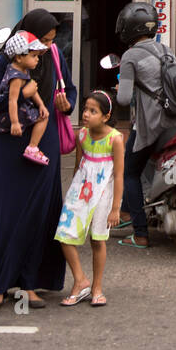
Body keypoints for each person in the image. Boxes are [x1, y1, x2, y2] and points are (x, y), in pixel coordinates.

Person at [0, 8, 77, 314]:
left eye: (51, 40)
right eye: (42, 40)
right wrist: (20, 95)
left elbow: (68, 90)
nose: (46, 46)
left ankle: (30, 283)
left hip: (44, 140)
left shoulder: (54, 54)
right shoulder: (7, 58)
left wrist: (66, 104)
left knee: (38, 214)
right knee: (5, 212)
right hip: (10, 139)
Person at [114, 1, 176, 249]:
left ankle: (140, 232)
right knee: (142, 163)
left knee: (129, 172)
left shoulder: (130, 56)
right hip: (173, 122)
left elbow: (122, 98)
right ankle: (126, 213)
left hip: (148, 125)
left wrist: (124, 89)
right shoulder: (167, 50)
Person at [56, 91, 124, 307]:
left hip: (103, 194)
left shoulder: (115, 139)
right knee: (64, 235)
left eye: (93, 111)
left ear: (105, 116)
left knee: (98, 240)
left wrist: (116, 208)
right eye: (85, 109)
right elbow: (78, 165)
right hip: (80, 191)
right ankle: (80, 280)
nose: (86, 114)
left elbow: (120, 175)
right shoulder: (81, 136)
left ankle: (96, 287)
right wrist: (71, 194)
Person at [0, 32, 51, 171]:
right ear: (19, 57)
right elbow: (13, 100)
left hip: (1, 114)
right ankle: (32, 148)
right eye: (33, 56)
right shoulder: (17, 77)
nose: (37, 59)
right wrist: (15, 123)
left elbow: (33, 90)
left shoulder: (20, 69)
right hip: (13, 113)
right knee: (43, 118)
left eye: (37, 56)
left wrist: (41, 104)